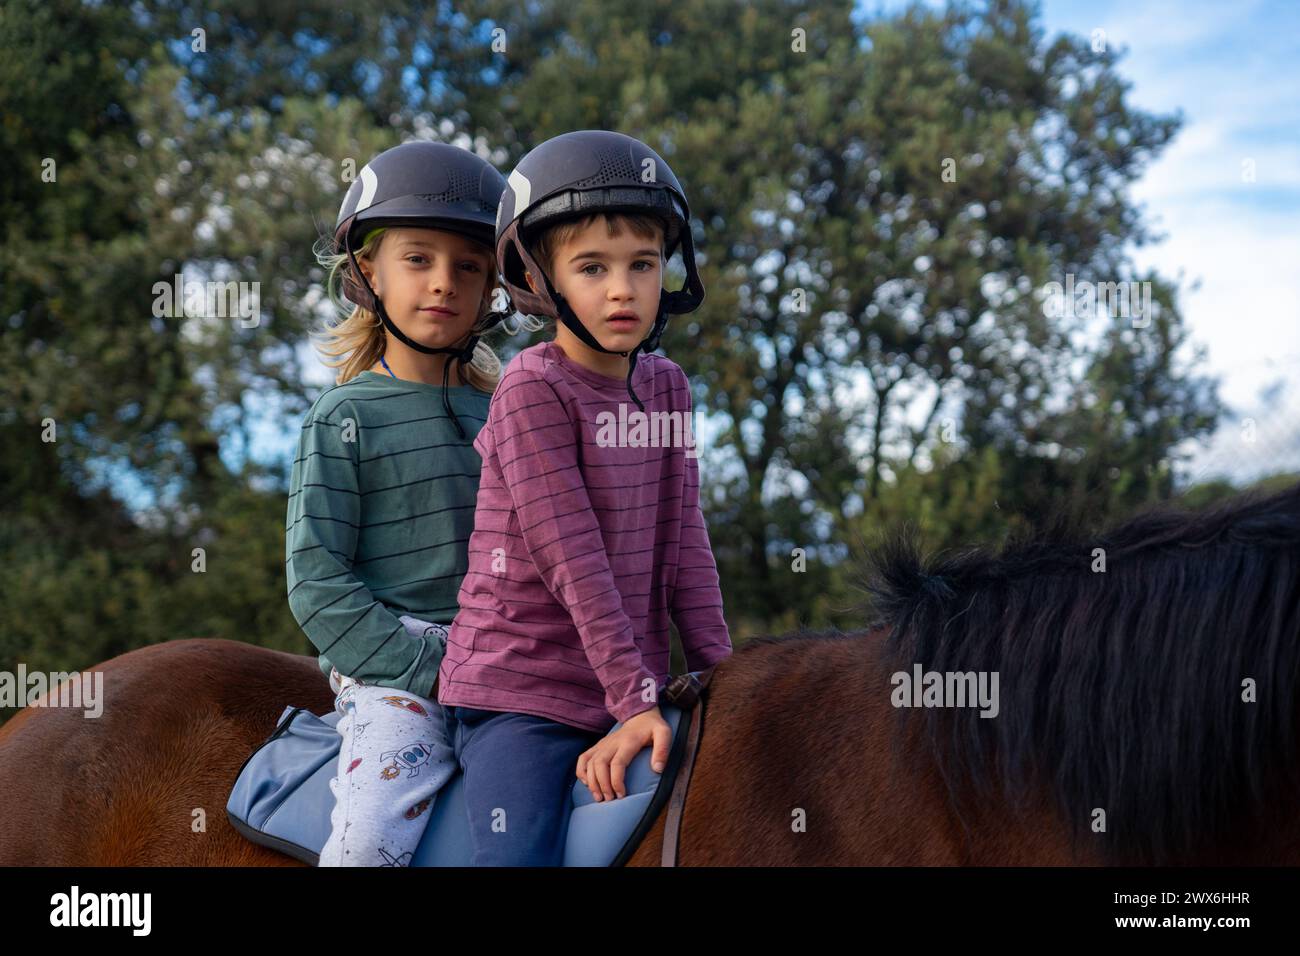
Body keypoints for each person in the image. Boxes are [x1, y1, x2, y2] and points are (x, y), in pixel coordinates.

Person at [437, 130, 733, 866]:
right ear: (544, 281)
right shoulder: (532, 389)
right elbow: (576, 563)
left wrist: (725, 680)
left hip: (626, 683)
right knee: (519, 855)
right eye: (592, 267)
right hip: (521, 695)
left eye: (643, 264)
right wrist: (635, 701)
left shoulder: (667, 386)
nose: (622, 288)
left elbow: (685, 547)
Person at [286, 140, 514, 866]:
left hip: (513, 657)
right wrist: (426, 667)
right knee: (371, 833)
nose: (443, 283)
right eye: (418, 259)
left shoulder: (515, 414)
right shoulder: (342, 416)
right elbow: (317, 581)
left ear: (491, 289)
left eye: (468, 266)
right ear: (368, 273)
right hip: (395, 677)